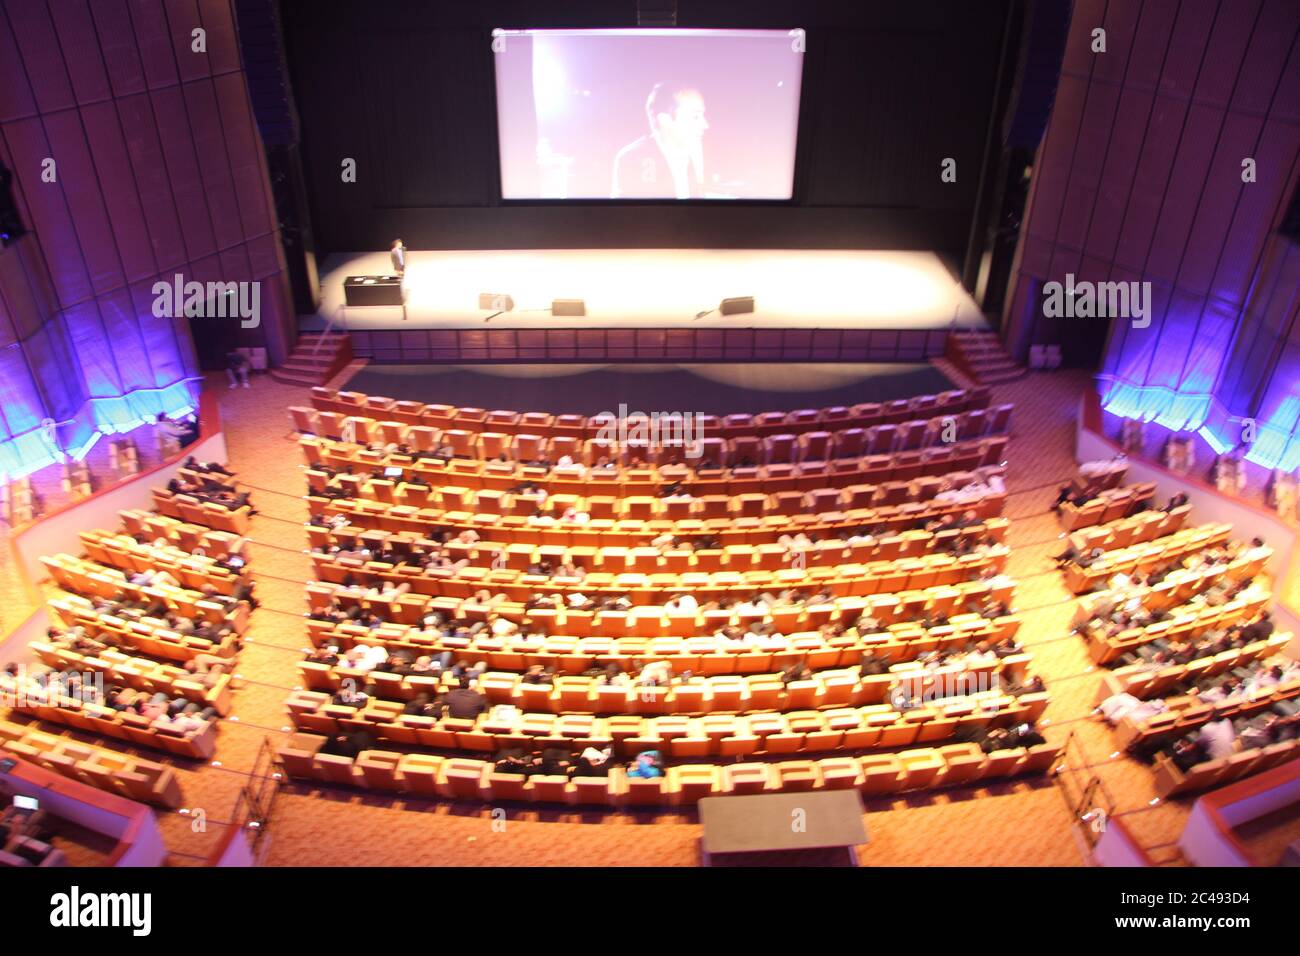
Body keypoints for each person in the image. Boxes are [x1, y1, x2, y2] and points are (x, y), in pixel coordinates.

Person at [611, 84, 709, 199]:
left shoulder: (703, 155)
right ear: (665, 120)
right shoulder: (632, 158)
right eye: (695, 116)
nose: (706, 125)